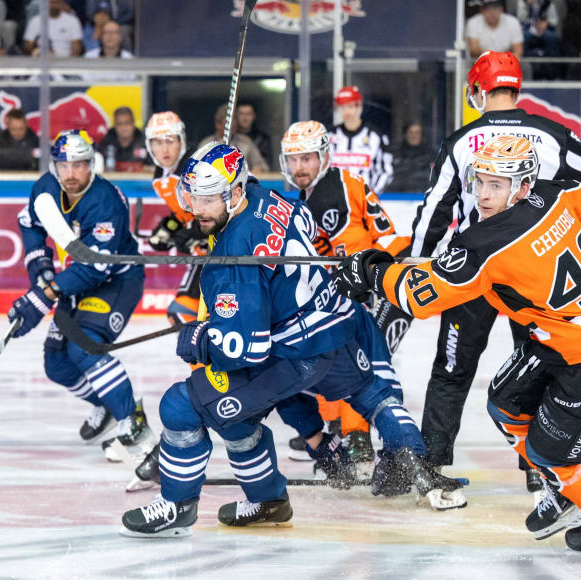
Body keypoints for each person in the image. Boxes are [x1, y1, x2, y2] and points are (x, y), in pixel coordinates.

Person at [119, 144, 461, 538]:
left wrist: (199, 339)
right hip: (335, 322)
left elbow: (247, 349)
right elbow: (295, 233)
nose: (197, 208)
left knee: (181, 405)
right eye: (194, 197)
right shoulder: (270, 197)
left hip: (293, 353)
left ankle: (178, 505)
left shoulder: (232, 263)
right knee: (369, 393)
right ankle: (403, 455)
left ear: (233, 193)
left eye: (208, 198)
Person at [335, 135, 581, 553]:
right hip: (562, 335)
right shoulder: (553, 194)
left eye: (496, 185)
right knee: (506, 403)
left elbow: (418, 298)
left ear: (520, 187)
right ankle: (567, 488)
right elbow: (580, 196)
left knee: (556, 455)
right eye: (480, 181)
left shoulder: (485, 244)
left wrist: (373, 271)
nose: (482, 195)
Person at [408, 51, 581, 505]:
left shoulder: (462, 140)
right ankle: (537, 469)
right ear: (515, 89)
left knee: (452, 370)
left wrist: (416, 262)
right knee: (537, 363)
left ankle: (430, 468)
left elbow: (433, 213)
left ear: (478, 91)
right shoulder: (551, 135)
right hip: (531, 276)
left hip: (473, 273)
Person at [277, 120, 415, 471]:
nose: (299, 167)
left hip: (377, 290)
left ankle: (368, 442)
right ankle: (351, 432)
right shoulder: (327, 187)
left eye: (306, 158)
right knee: (341, 362)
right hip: (378, 283)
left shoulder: (331, 193)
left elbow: (347, 253)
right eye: (293, 160)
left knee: (360, 367)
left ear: (323, 156)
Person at [7, 130, 154, 455]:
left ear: (92, 164)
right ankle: (106, 404)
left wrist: (43, 294)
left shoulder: (106, 201)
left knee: (84, 349)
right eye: (64, 165)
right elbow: (29, 222)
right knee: (57, 363)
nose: (71, 173)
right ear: (54, 166)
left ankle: (133, 422)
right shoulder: (46, 188)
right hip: (76, 280)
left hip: (116, 280)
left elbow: (94, 267)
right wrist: (41, 270)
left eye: (79, 165)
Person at [144, 111, 207, 325]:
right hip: (205, 256)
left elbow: (221, 212)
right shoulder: (160, 177)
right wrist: (168, 229)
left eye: (170, 141)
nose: (165, 149)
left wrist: (195, 232)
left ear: (182, 140)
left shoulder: (196, 168)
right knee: (188, 315)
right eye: (157, 142)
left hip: (223, 253)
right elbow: (183, 214)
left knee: (184, 314)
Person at [329, 86, 393, 194]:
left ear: (359, 107)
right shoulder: (329, 137)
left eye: (350, 106)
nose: (347, 112)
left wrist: (371, 196)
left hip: (365, 203)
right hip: (334, 203)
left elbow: (386, 171)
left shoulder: (376, 137)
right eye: (342, 107)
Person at [200, 103, 269, 173]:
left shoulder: (246, 142)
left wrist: (257, 170)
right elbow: (197, 169)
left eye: (235, 120)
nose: (233, 124)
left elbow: (263, 167)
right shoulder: (206, 144)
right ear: (218, 124)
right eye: (228, 122)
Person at [94, 106, 148, 172]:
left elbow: (154, 168)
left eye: (127, 123)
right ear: (115, 126)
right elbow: (97, 168)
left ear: (133, 124)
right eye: (119, 124)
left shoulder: (145, 143)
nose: (123, 127)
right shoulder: (105, 143)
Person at [392, 121, 436, 193]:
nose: (414, 136)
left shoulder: (430, 153)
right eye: (410, 132)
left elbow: (434, 177)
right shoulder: (396, 152)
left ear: (421, 134)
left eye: (417, 132)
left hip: (424, 195)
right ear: (405, 134)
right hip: (399, 196)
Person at [235, 101, 273, 167]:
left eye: (248, 114)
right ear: (236, 116)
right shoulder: (230, 137)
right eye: (241, 114)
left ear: (254, 116)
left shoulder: (262, 139)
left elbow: (266, 164)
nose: (245, 117)